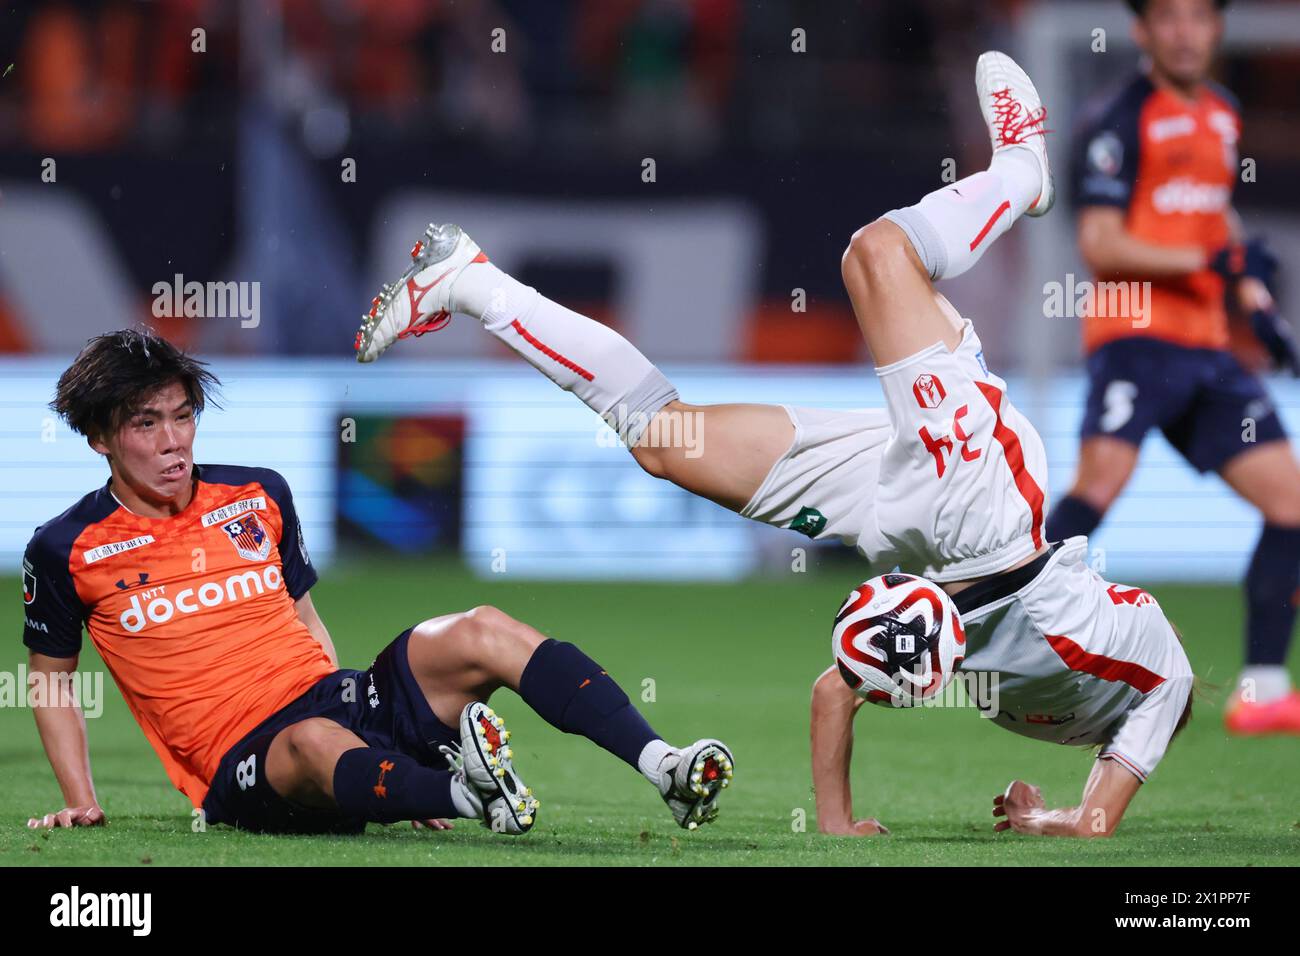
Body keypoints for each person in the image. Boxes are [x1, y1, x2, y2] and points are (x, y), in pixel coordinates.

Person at [355, 52, 1194, 837]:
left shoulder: (1045, 717)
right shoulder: (1163, 680)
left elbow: (837, 688)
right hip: (983, 506)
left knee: (663, 439)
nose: (1133, 761)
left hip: (905, 529)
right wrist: (1057, 818)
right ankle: (1021, 171)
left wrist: (840, 826)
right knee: (877, 255)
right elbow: (1101, 819)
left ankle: (471, 280)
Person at [22, 329, 733, 834]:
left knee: (482, 627)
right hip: (242, 765)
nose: (173, 441)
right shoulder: (67, 546)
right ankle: (465, 794)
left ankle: (661, 764)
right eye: (147, 424)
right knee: (311, 744)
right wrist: (80, 798)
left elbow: (304, 618)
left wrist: (362, 747)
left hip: (334, 699)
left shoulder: (258, 494)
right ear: (99, 438)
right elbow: (53, 681)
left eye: (183, 417)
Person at [1045, 0, 1300, 734]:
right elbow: (1099, 241)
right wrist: (1208, 260)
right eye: (1170, 18)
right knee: (1097, 490)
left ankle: (1262, 691)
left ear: (1217, 29)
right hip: (1135, 339)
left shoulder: (1222, 113)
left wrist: (1256, 303)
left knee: (1290, 505)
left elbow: (1217, 218)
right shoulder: (1119, 118)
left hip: (1209, 348)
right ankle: (1013, 626)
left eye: (1199, 17)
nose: (1186, 32)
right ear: (1142, 32)